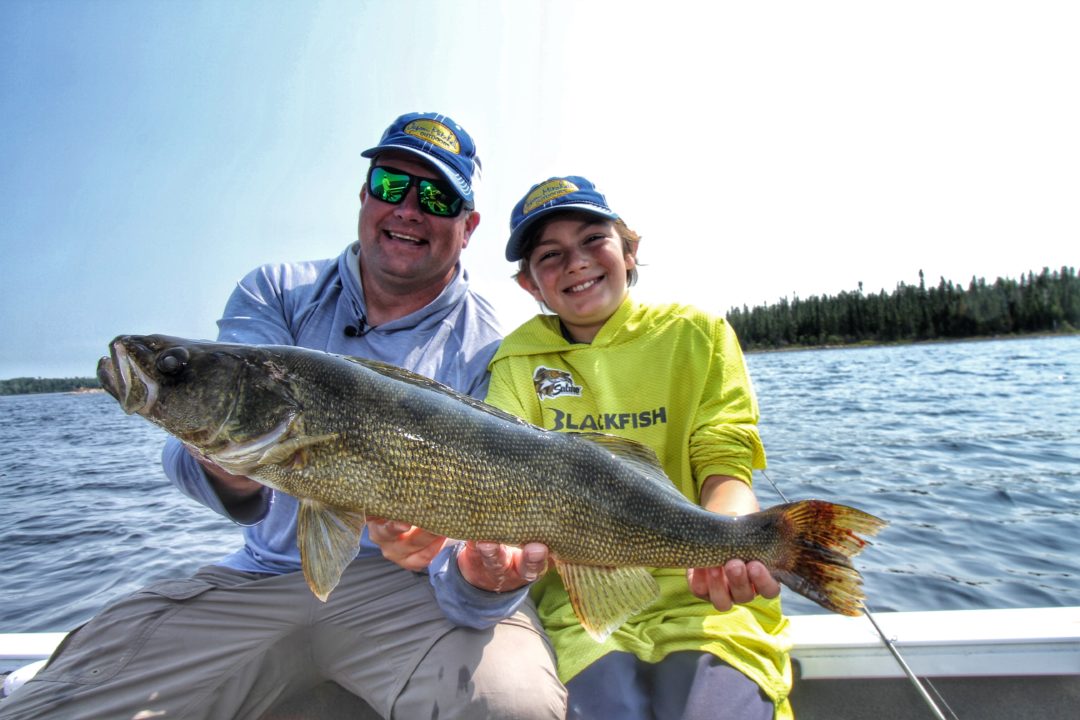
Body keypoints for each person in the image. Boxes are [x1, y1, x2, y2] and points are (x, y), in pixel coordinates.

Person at [0, 113, 565, 720]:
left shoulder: (493, 348)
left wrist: (477, 574)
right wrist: (228, 462)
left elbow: (478, 549)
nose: (408, 208)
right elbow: (213, 473)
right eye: (390, 184)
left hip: (412, 594)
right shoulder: (275, 292)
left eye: (436, 196)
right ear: (364, 195)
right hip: (262, 579)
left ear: (468, 225)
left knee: (515, 706)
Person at [483, 175, 794, 719]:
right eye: (550, 255)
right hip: (583, 605)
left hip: (705, 604)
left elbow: (725, 464)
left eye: (593, 240)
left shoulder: (696, 333)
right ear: (530, 285)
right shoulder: (515, 361)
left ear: (629, 251)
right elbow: (504, 478)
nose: (576, 262)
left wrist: (733, 546)